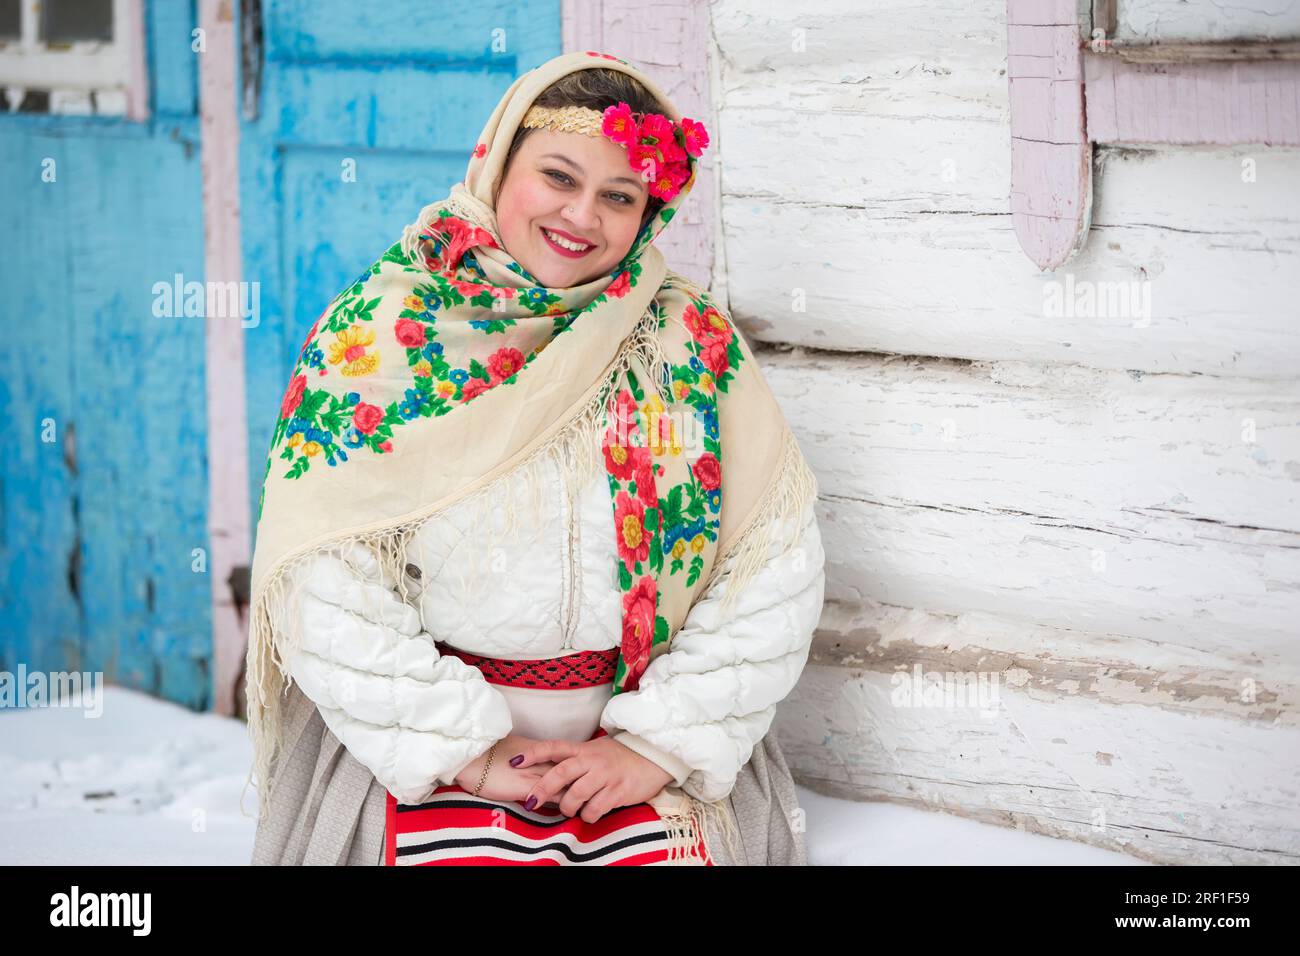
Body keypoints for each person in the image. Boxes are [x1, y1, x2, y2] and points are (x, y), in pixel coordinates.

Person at [243, 50, 825, 866]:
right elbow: (319, 578)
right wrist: (465, 752)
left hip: (643, 755)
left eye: (619, 196)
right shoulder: (381, 335)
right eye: (558, 176)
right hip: (419, 751)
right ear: (497, 162)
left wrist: (657, 747)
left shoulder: (688, 348)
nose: (582, 216)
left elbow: (773, 566)